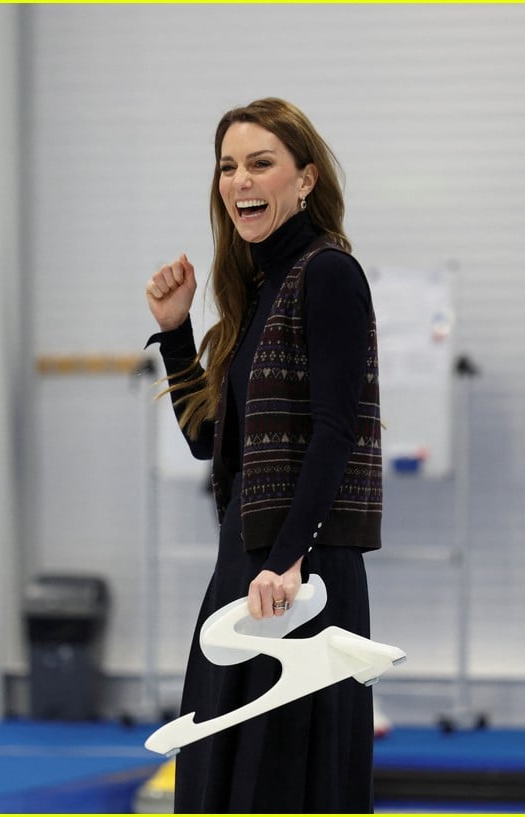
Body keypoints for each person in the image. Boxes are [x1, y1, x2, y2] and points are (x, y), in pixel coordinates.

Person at [144, 98, 383, 812]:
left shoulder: (328, 273)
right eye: (227, 166)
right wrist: (178, 332)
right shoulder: (256, 289)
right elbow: (208, 442)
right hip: (247, 560)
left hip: (297, 568)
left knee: (286, 782)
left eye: (260, 163)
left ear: (305, 179)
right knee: (227, 778)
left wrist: (287, 557)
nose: (240, 180)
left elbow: (335, 431)